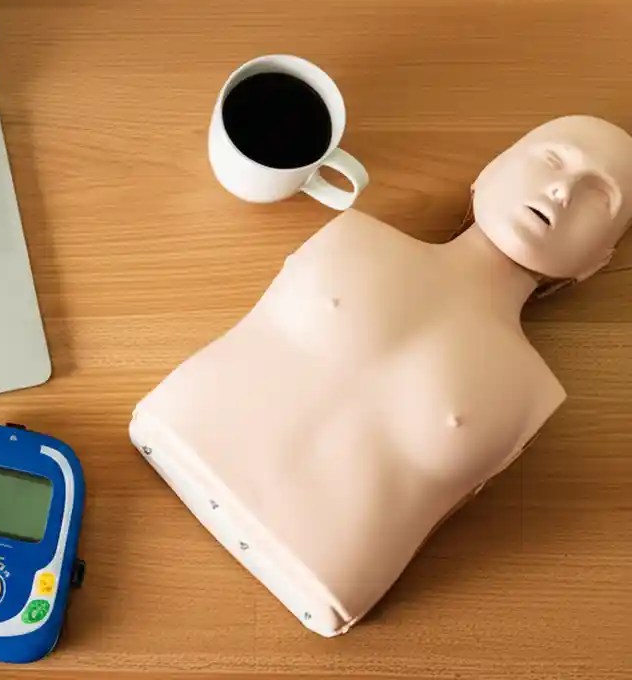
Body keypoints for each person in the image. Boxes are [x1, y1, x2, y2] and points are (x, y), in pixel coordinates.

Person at [131, 116, 632, 635]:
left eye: (598, 196)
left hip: (316, 583)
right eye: (552, 159)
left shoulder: (534, 392)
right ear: (489, 170)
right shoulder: (356, 234)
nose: (561, 190)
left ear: (598, 263)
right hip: (173, 434)